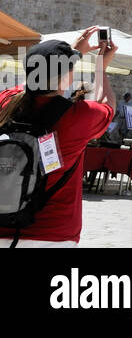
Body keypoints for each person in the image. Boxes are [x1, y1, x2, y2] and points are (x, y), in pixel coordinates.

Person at [0, 27, 117, 246]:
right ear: (65, 75)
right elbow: (106, 104)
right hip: (53, 234)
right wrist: (100, 66)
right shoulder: (78, 115)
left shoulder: (5, 103)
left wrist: (66, 55)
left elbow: (31, 85)